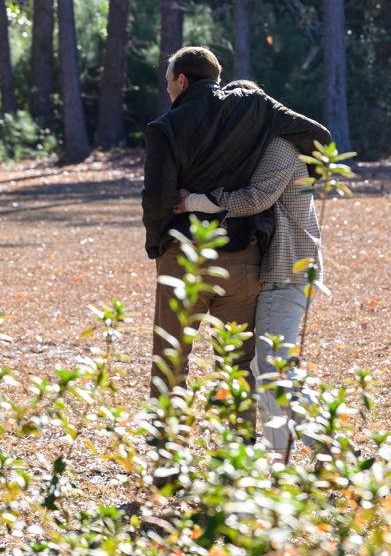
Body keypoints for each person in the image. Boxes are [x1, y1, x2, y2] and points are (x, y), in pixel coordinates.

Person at [141, 47, 330, 434]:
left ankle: (168, 464)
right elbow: (319, 136)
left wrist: (159, 244)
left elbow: (157, 198)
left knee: (170, 360)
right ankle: (237, 460)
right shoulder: (254, 108)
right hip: (244, 258)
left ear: (182, 80)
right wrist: (311, 172)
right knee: (237, 364)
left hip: (185, 258)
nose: (167, 91)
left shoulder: (166, 127)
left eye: (168, 83)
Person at [177, 134, 320, 458]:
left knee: (274, 367)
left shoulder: (278, 148)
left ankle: (326, 447)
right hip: (280, 273)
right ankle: (278, 457)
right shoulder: (260, 146)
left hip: (288, 272)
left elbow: (255, 199)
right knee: (263, 366)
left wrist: (192, 202)